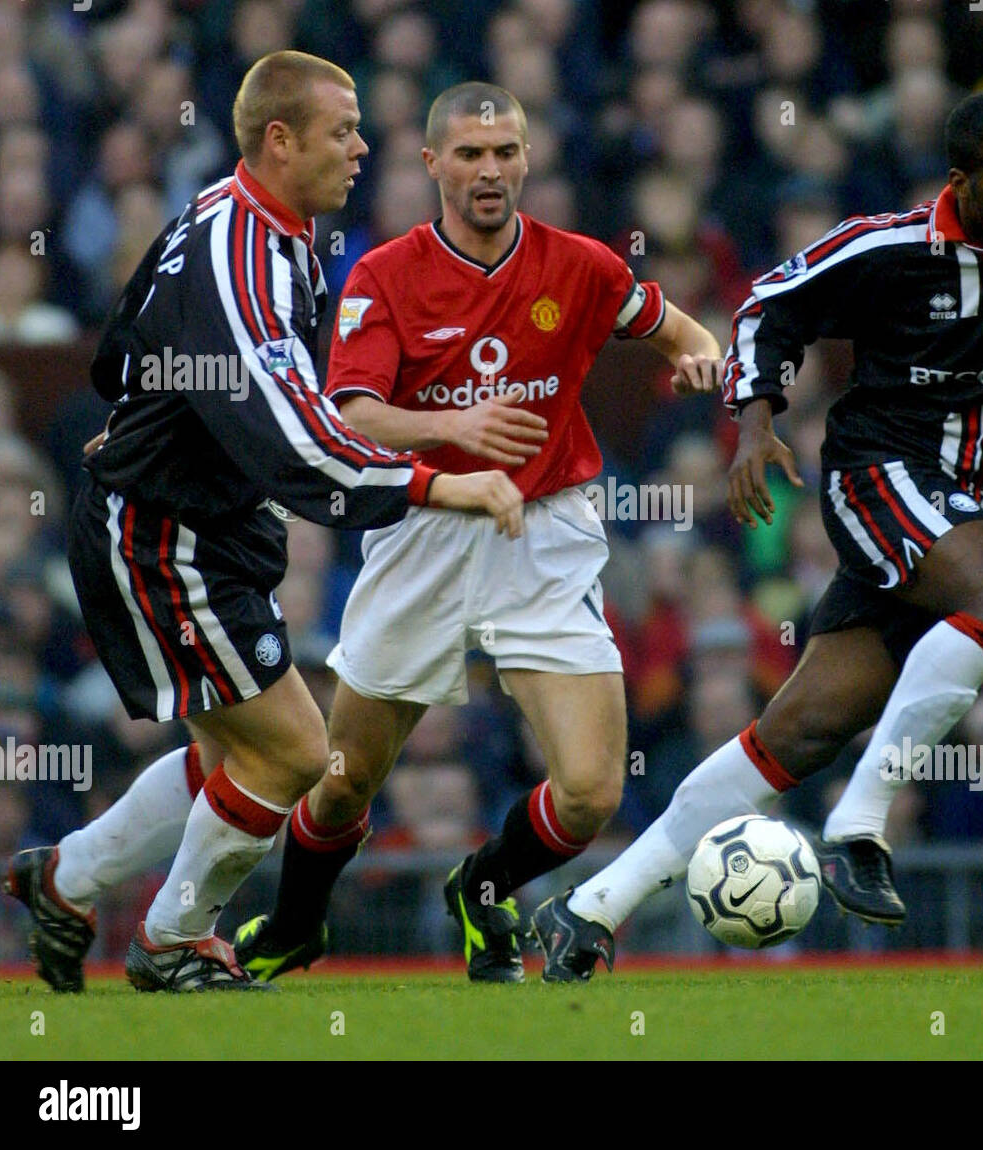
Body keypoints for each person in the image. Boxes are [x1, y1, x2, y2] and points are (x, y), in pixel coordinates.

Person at [532, 89, 983, 981]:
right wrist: (757, 420)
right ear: (962, 184)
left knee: (796, 733)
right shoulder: (887, 251)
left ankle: (589, 907)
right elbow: (771, 303)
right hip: (877, 478)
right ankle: (860, 820)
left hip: (969, 516)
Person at [1, 52, 521, 993]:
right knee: (290, 751)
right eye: (342, 131)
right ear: (279, 141)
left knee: (230, 756)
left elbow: (121, 351)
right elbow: (294, 439)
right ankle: (168, 942)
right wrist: (441, 483)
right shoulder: (238, 249)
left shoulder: (260, 225)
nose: (364, 147)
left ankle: (68, 878)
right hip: (164, 537)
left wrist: (140, 415)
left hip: (205, 527)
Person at [233, 81, 723, 984]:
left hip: (543, 536)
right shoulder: (384, 275)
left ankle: (485, 887)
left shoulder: (582, 267)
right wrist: (454, 431)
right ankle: (299, 924)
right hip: (424, 526)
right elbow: (352, 414)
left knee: (589, 793)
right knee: (343, 780)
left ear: (528, 158)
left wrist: (701, 361)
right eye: (468, 154)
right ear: (432, 165)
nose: (489, 171)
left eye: (505, 153)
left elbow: (677, 329)